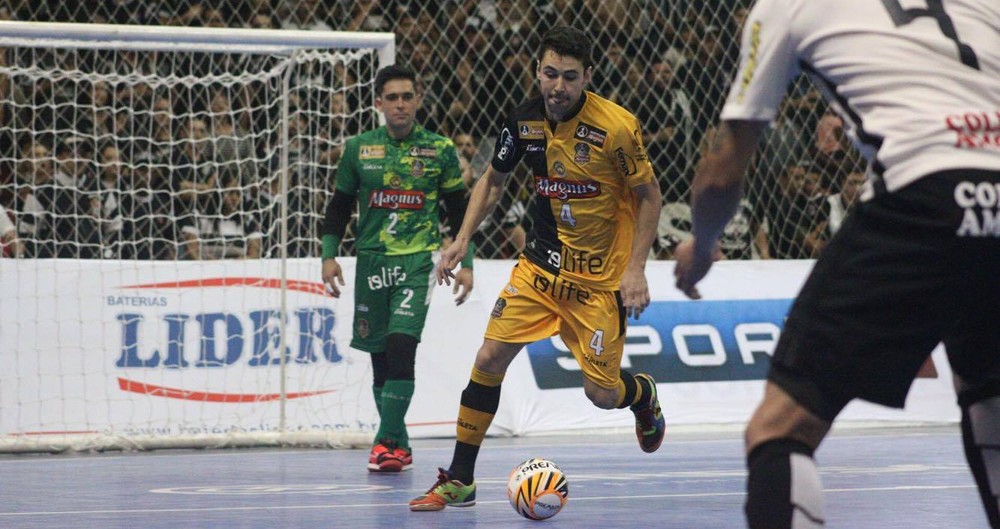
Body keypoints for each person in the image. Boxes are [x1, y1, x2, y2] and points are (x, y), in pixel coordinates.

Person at [672, 1, 1000, 527]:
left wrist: (704, 245)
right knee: (988, 397)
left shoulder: (788, 6)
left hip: (924, 192)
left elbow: (723, 171)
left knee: (779, 428)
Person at [410, 26, 664, 512]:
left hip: (597, 284)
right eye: (550, 74)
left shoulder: (616, 127)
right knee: (488, 359)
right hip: (539, 272)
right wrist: (461, 238)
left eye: (569, 76)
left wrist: (636, 270)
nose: (558, 86)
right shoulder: (523, 121)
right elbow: (493, 181)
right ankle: (460, 479)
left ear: (588, 77)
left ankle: (642, 394)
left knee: (601, 394)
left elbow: (650, 196)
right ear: (537, 71)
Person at [320, 64, 474, 473]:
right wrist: (328, 256)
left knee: (402, 346)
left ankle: (384, 442)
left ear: (418, 100)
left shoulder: (440, 149)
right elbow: (338, 206)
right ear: (378, 103)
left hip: (417, 262)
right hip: (371, 262)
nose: (401, 104)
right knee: (380, 359)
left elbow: (460, 210)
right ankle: (398, 445)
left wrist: (467, 263)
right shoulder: (358, 149)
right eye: (392, 98)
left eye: (407, 96)